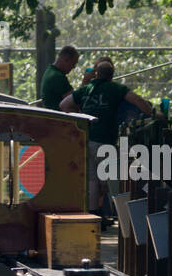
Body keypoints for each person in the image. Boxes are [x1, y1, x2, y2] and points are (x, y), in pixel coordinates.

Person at [60, 60, 153, 214]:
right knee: (111, 179)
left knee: (92, 180)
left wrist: (79, 115)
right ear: (112, 75)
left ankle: (94, 215)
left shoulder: (86, 89)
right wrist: (151, 112)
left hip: (86, 139)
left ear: (96, 74)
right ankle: (119, 213)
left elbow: (63, 105)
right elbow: (137, 100)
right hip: (105, 141)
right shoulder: (115, 88)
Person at [38, 45, 79, 110]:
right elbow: (75, 102)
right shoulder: (57, 77)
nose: (73, 67)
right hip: (60, 117)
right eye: (73, 64)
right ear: (66, 59)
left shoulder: (50, 71)